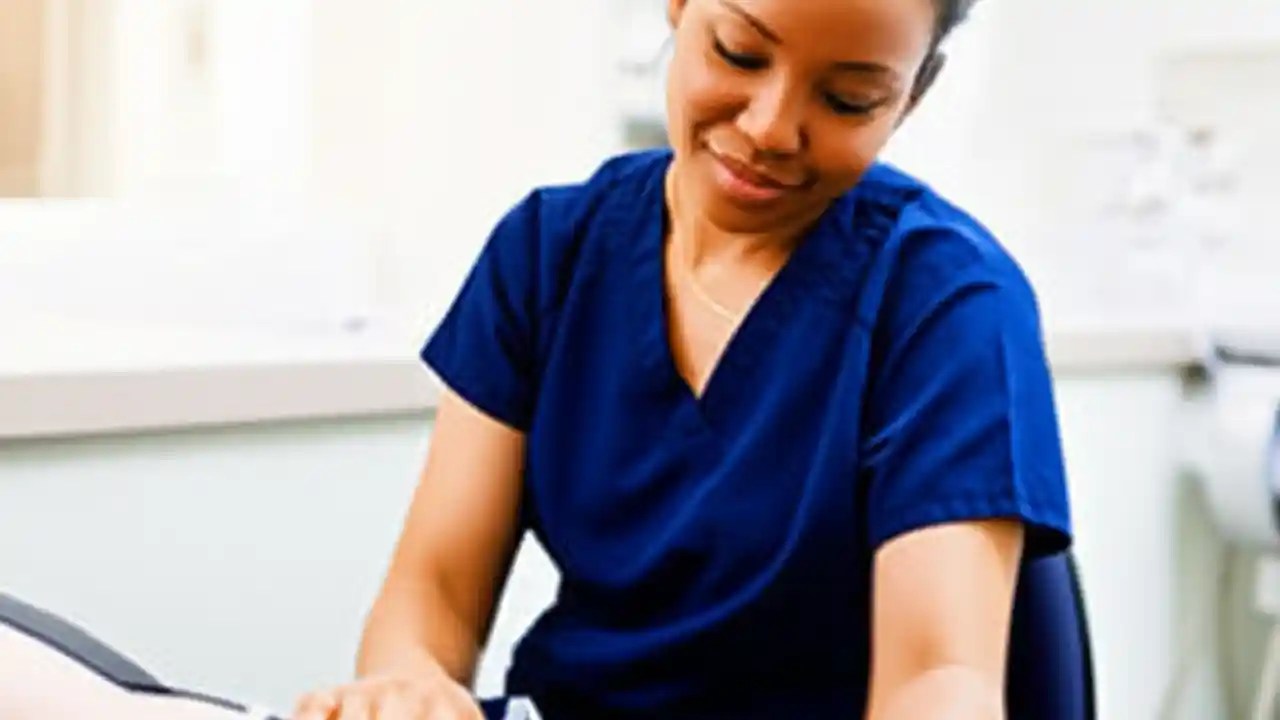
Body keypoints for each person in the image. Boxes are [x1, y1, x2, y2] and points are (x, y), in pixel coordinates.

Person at [295, 0, 1073, 717]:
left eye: (847, 100)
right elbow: (434, 590)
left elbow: (939, 680)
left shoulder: (948, 305)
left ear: (910, 99)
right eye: (739, 53)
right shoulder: (547, 256)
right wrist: (412, 687)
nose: (771, 127)